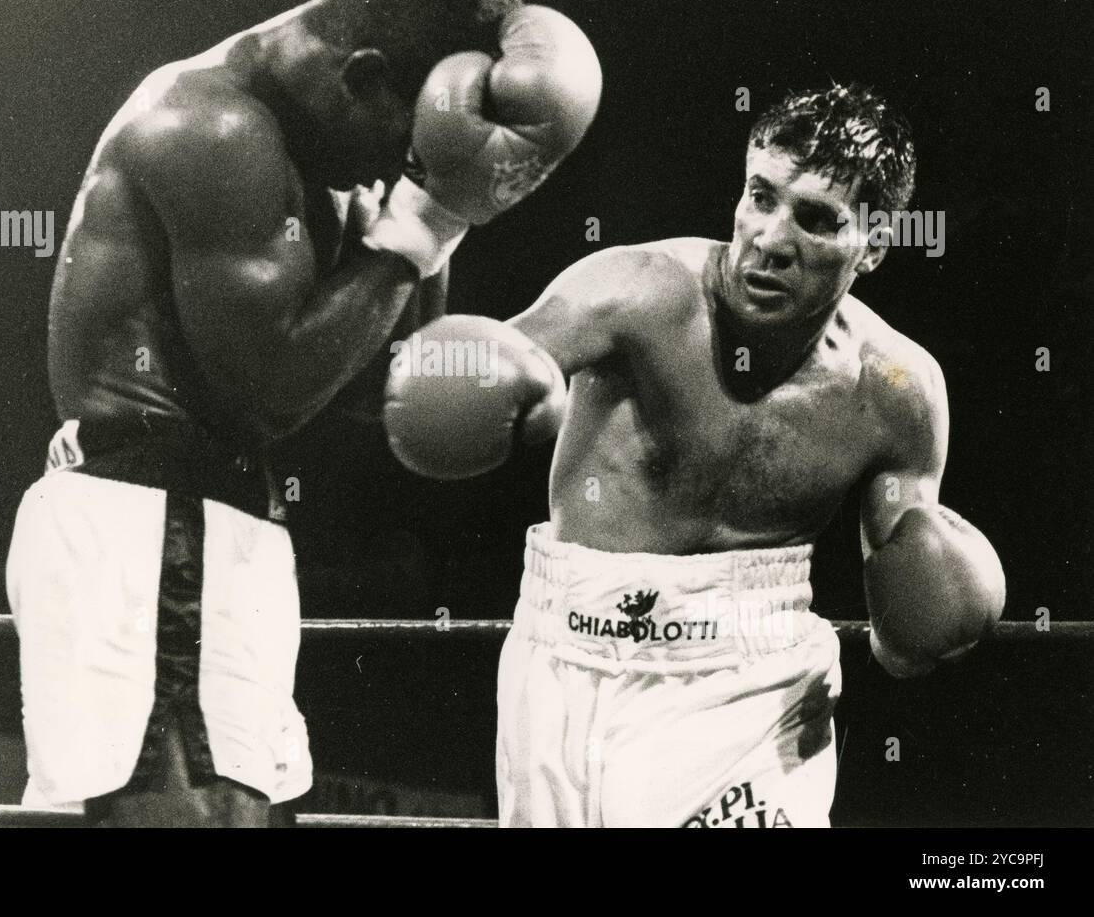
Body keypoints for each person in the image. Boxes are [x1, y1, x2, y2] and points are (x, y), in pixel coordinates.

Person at [5, 0, 601, 827]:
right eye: (407, 145)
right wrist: (422, 226)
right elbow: (271, 390)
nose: (400, 171)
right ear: (364, 77)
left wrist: (433, 238)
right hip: (153, 525)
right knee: (194, 814)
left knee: (243, 810)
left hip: (202, 528)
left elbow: (375, 389)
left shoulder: (318, 160)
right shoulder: (216, 129)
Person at [384, 84, 1005, 827]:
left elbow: (903, 639)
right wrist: (440, 346)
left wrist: (932, 609)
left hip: (756, 686)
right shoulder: (632, 291)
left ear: (871, 245)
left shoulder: (897, 390)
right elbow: (463, 371)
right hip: (564, 661)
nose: (770, 238)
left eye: (815, 218)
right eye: (761, 196)